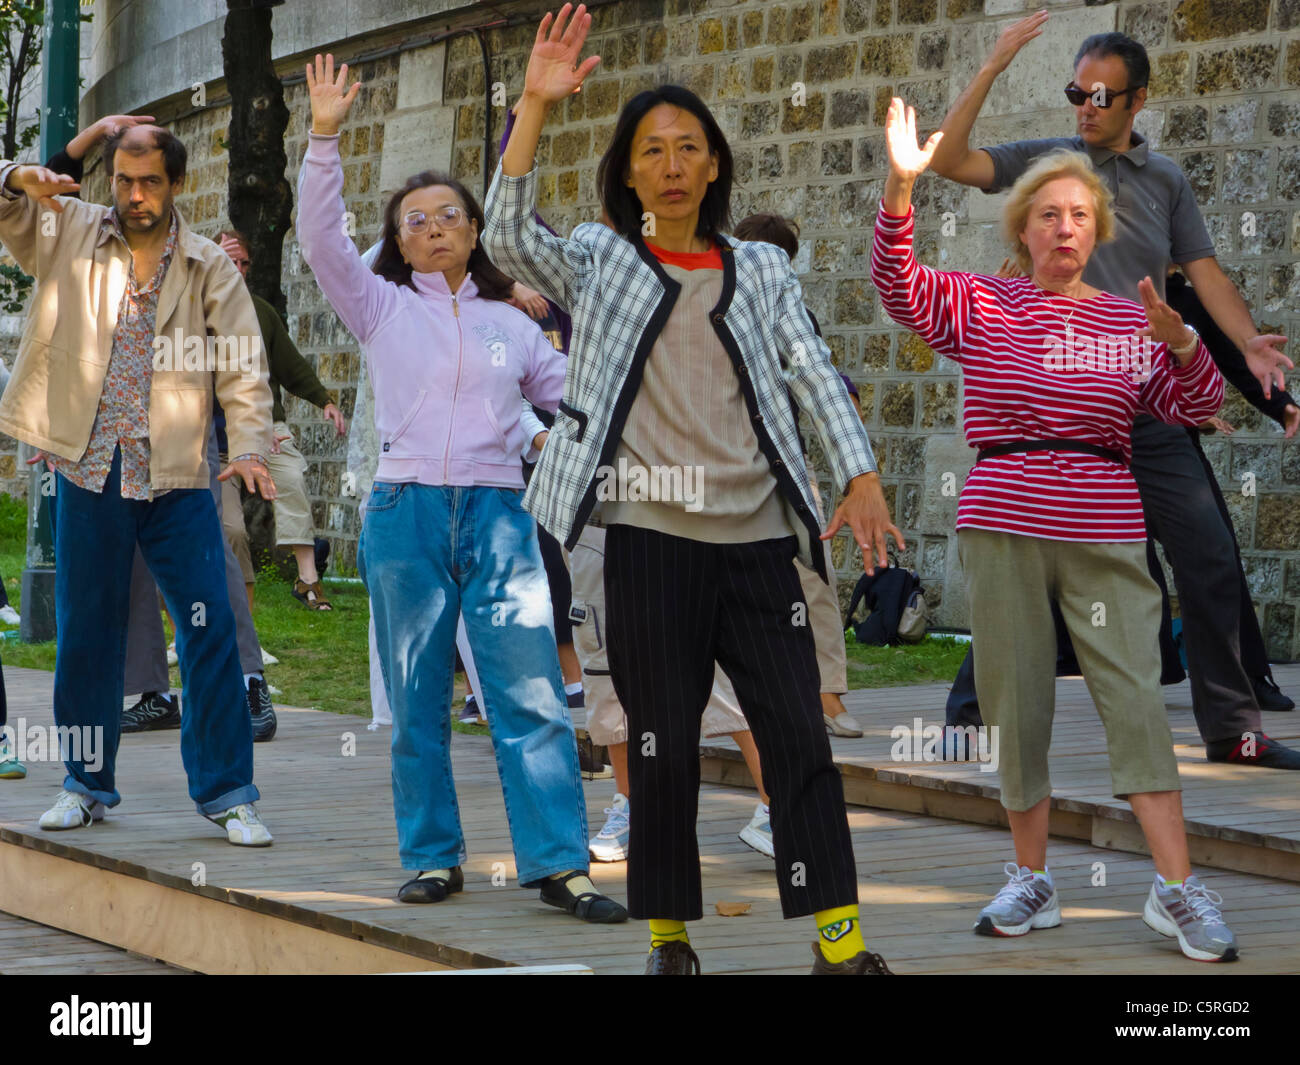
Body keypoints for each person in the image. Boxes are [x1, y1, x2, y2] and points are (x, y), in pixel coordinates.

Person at [487, 4, 901, 975]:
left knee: (798, 736)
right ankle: (670, 940)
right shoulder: (603, 259)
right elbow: (505, 237)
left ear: (714, 165)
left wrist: (861, 473)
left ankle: (840, 945)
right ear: (628, 174)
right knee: (662, 744)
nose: (671, 165)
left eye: (688, 148)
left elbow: (809, 367)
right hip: (647, 544)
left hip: (757, 543)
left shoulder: (759, 268)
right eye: (651, 151)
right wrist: (534, 107)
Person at [874, 95, 1237, 961]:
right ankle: (1031, 878)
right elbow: (899, 285)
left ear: (1097, 229)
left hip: (1103, 526)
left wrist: (1185, 344)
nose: (1064, 227)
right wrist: (901, 186)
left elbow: (1195, 405)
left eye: (1078, 215)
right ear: (1023, 230)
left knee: (1136, 698)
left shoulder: (1129, 320)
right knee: (1015, 701)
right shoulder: (982, 304)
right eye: (1047, 214)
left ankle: (1176, 888)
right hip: (1003, 521)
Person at [298, 53, 625, 922]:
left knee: (530, 693)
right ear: (398, 242)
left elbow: (578, 398)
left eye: (450, 216)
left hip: (499, 516)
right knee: (417, 702)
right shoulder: (378, 307)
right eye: (416, 221)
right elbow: (321, 241)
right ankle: (433, 857)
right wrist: (324, 137)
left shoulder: (510, 325)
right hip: (404, 514)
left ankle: (559, 865)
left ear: (476, 230)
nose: (435, 228)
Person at [929, 20, 1299, 769]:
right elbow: (947, 160)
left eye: (1101, 96)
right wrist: (994, 64)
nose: (1085, 108)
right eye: (1077, 93)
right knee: (1031, 557)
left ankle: (1234, 729)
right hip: (1056, 406)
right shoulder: (1048, 163)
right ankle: (970, 718)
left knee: (1209, 554)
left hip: (1140, 396)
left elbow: (1205, 274)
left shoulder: (1165, 181)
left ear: (1138, 100)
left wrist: (1248, 343)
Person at [0, 124, 276, 845]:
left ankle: (228, 792)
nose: (135, 195)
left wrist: (249, 445)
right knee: (86, 634)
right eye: (123, 180)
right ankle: (84, 784)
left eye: (150, 181)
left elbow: (243, 365)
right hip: (89, 468)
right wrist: (18, 179)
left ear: (177, 183)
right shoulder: (72, 231)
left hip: (177, 476)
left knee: (208, 625)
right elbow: (10, 213)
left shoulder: (207, 264)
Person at [732, 212, 862, 736]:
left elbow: (819, 377)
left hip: (784, 461)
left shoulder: (795, 314)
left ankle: (827, 696)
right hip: (719, 464)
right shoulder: (705, 303)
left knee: (814, 576)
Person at [217, 228, 346, 611]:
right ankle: (226, 596)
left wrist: (324, 400)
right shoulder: (194, 310)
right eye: (229, 260)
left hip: (267, 425)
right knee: (229, 525)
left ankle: (307, 580)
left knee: (291, 478)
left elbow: (290, 365)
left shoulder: (261, 311)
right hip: (217, 431)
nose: (238, 269)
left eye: (243, 263)